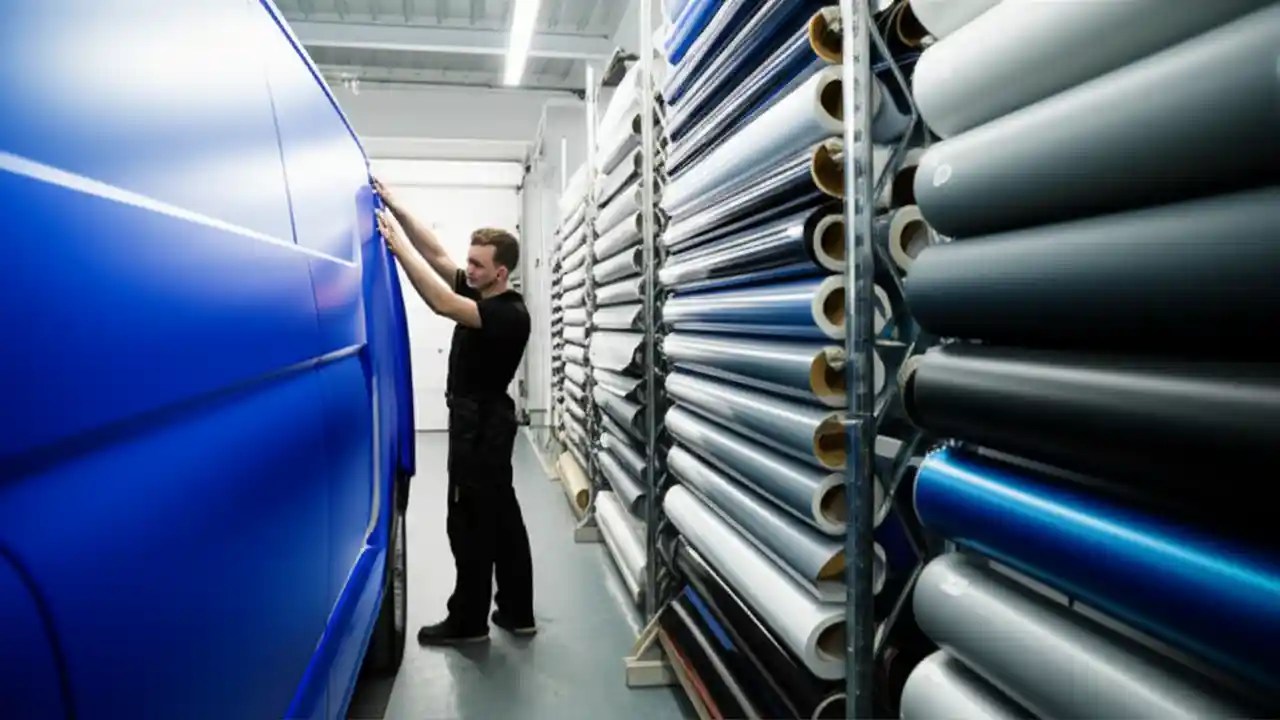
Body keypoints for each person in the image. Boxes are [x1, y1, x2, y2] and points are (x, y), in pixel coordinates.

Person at [373, 178, 536, 646]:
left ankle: (467, 623)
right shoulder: (486, 293)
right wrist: (399, 208)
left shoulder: (508, 313)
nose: (467, 269)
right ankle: (517, 612)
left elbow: (441, 301)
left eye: (477, 265)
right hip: (484, 425)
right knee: (503, 521)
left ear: (500, 272)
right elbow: (441, 257)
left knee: (467, 525)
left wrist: (397, 248)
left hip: (479, 430)